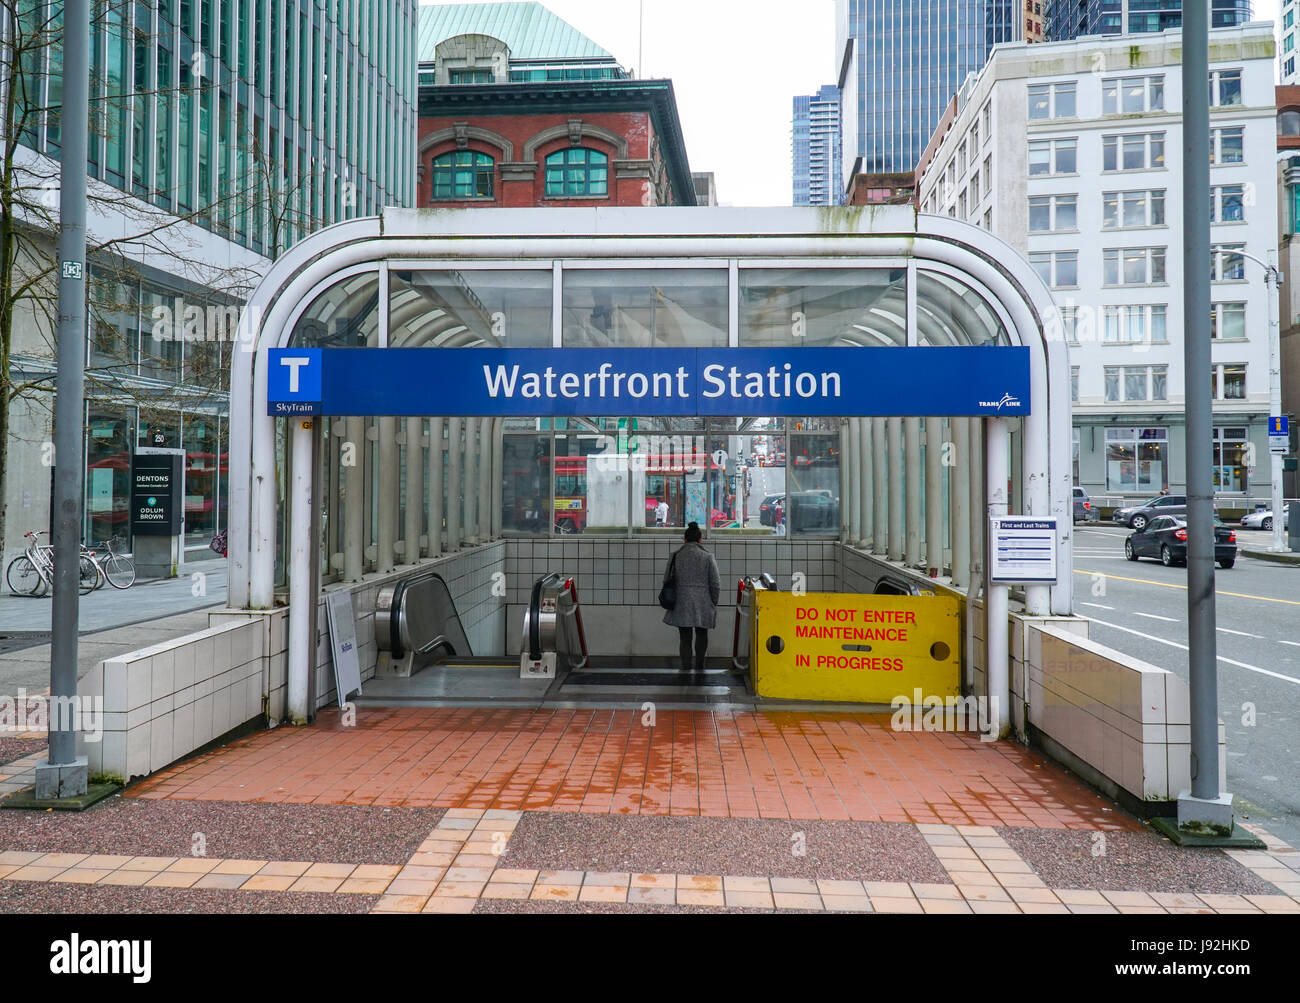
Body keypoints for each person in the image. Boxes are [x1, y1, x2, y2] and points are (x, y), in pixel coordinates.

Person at [662, 522, 720, 675]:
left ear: (684, 540)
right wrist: (713, 601)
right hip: (703, 601)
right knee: (702, 634)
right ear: (700, 540)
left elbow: (667, 579)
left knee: (685, 636)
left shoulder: (675, 556)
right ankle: (700, 665)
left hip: (681, 602)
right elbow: (715, 583)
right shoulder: (708, 557)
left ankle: (686, 666)